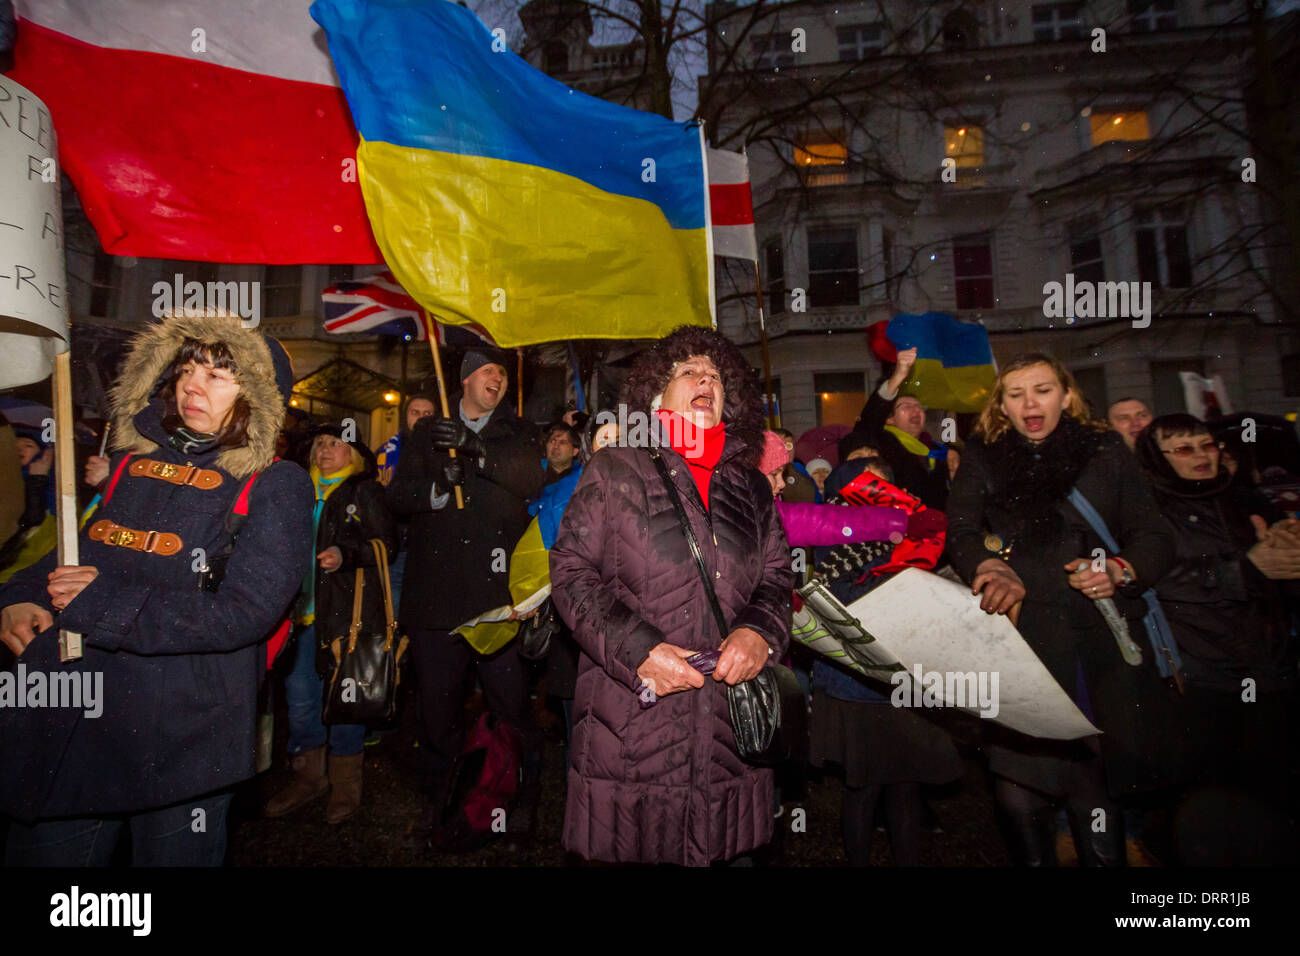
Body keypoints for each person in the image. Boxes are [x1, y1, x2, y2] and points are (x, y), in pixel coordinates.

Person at [0, 313, 313, 865]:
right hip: (77, 721)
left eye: (219, 375)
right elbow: (71, 556)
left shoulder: (277, 484)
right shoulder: (130, 463)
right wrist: (20, 595)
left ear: (260, 398)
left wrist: (100, 604)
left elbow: (245, 613)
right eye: (188, 368)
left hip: (184, 735)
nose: (193, 383)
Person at [550, 325, 794, 866]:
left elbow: (778, 577)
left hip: (729, 732)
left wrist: (759, 632)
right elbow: (570, 574)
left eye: (715, 375)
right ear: (658, 396)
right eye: (688, 371)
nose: (705, 378)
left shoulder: (751, 487)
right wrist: (639, 650)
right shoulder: (616, 469)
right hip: (632, 726)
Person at [945, 352, 1176, 867]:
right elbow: (959, 531)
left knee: (1095, 776)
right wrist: (988, 566)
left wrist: (1121, 569)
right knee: (1018, 782)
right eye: (1016, 393)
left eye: (1043, 390)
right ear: (1001, 405)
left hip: (1100, 635)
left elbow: (1153, 533)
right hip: (1023, 634)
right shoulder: (983, 453)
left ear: (1066, 395)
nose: (1031, 403)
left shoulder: (1104, 449)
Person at [387, 347, 545, 836]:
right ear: (463, 381)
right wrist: (436, 489)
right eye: (487, 370)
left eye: (501, 370)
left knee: (512, 705)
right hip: (436, 601)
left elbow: (530, 479)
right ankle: (446, 800)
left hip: (499, 601)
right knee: (437, 710)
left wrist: (477, 451)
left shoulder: (517, 431)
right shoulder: (424, 435)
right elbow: (396, 497)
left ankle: (519, 801)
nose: (497, 377)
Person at [1133, 415, 1300, 811]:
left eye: (1207, 445)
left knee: (1276, 788)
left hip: (1270, 661)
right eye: (1184, 449)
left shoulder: (1239, 497)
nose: (1201, 457)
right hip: (1203, 672)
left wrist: (1284, 541)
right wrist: (1244, 568)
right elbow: (1153, 576)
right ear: (1158, 459)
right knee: (1219, 794)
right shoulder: (1147, 511)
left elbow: (1272, 558)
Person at [806, 457, 961, 866]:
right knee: (864, 788)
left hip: (907, 683)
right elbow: (845, 600)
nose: (877, 495)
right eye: (865, 486)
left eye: (884, 485)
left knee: (906, 787)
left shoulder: (913, 536)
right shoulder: (836, 538)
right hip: (858, 687)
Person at [263, 425, 397, 824]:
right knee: (301, 697)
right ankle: (308, 778)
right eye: (320, 443)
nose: (324, 449)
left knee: (347, 699)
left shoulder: (364, 492)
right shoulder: (297, 490)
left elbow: (388, 545)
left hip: (345, 618)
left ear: (353, 454)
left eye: (335, 444)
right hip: (299, 615)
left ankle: (345, 786)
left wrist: (346, 552)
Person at [849, 347, 949, 509]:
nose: (916, 410)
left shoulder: (935, 450)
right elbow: (869, 420)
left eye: (919, 407)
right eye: (906, 406)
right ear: (889, 419)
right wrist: (898, 376)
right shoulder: (883, 443)